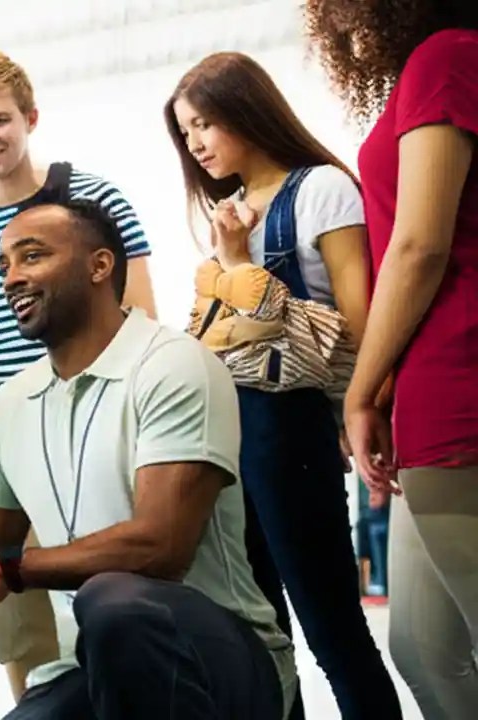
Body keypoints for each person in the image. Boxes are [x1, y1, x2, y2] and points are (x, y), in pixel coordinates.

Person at [0, 200, 296, 720]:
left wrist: (12, 570)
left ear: (99, 265)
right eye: (4, 266)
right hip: (93, 667)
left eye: (32, 256)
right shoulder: (11, 403)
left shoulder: (173, 366)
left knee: (115, 601)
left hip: (226, 668)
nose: (12, 279)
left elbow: (160, 547)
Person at [164, 52, 400, 720]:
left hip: (291, 429)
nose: (197, 144)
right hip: (231, 435)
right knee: (259, 636)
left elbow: (360, 323)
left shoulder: (322, 189)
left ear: (247, 109)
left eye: (205, 123)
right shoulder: (230, 210)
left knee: (332, 630)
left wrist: (236, 268)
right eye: (186, 133)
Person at [0, 50, 157, 699]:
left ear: (31, 117)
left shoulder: (92, 198)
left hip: (89, 435)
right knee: (17, 619)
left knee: (109, 601)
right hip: (1, 448)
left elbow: (140, 313)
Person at [305, 2, 478, 717]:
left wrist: (360, 392)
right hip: (424, 397)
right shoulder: (430, 64)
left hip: (456, 383)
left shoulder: (450, 54)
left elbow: (418, 247)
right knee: (420, 646)